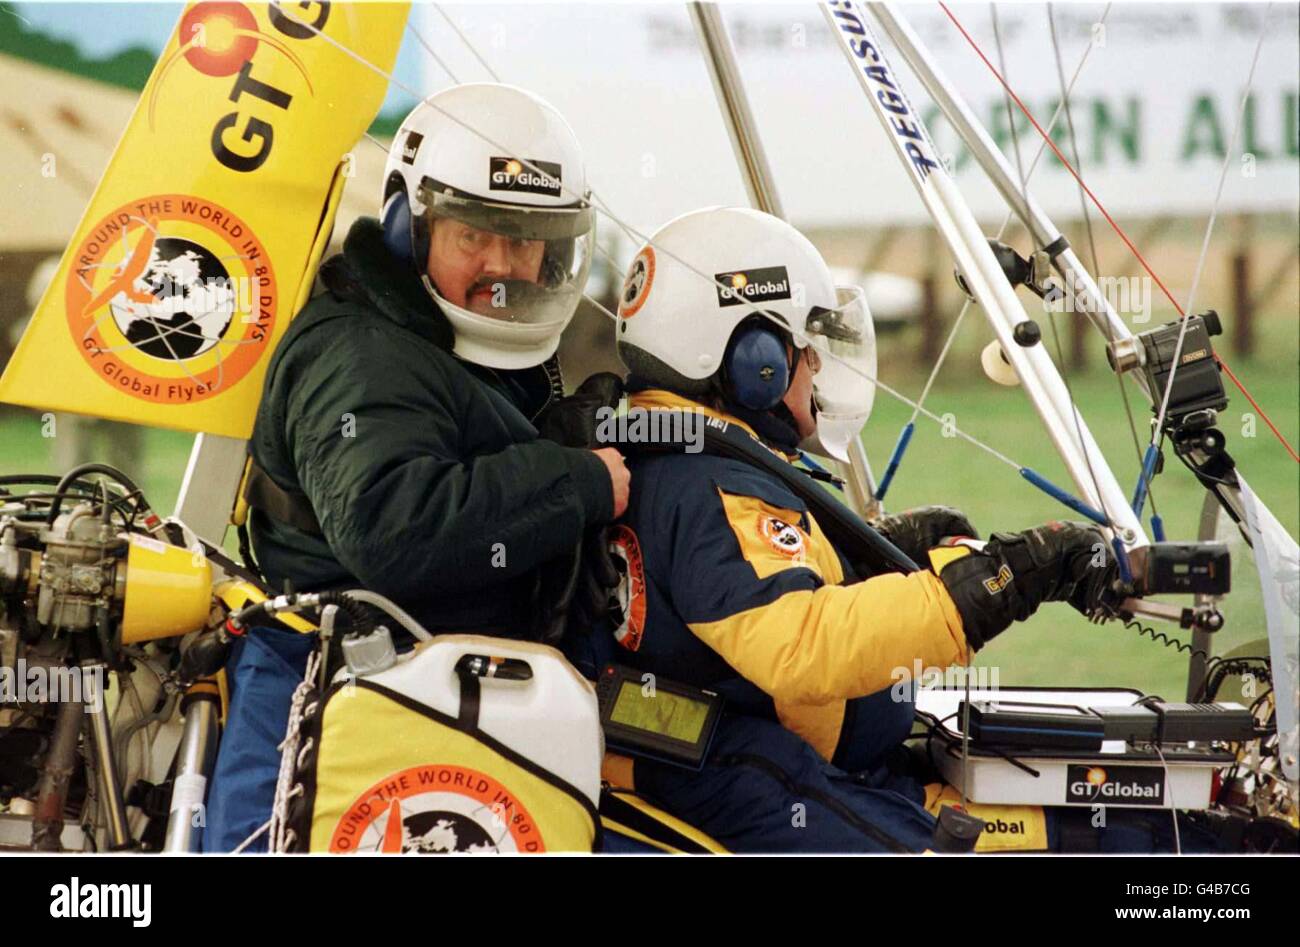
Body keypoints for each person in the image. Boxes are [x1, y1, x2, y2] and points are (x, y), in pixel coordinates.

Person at [581, 206, 1213, 852]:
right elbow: (797, 642)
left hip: (762, 757)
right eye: (805, 349)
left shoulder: (680, 454)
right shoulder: (710, 485)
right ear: (754, 360)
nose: (816, 368)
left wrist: (881, 549)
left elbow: (765, 581)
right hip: (748, 773)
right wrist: (994, 583)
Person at [204, 84, 628, 851]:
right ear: (408, 226)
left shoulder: (455, 342)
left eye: (527, 240)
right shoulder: (361, 352)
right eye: (475, 235)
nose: (503, 265)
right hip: (335, 699)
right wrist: (581, 482)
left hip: (443, 700)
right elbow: (392, 524)